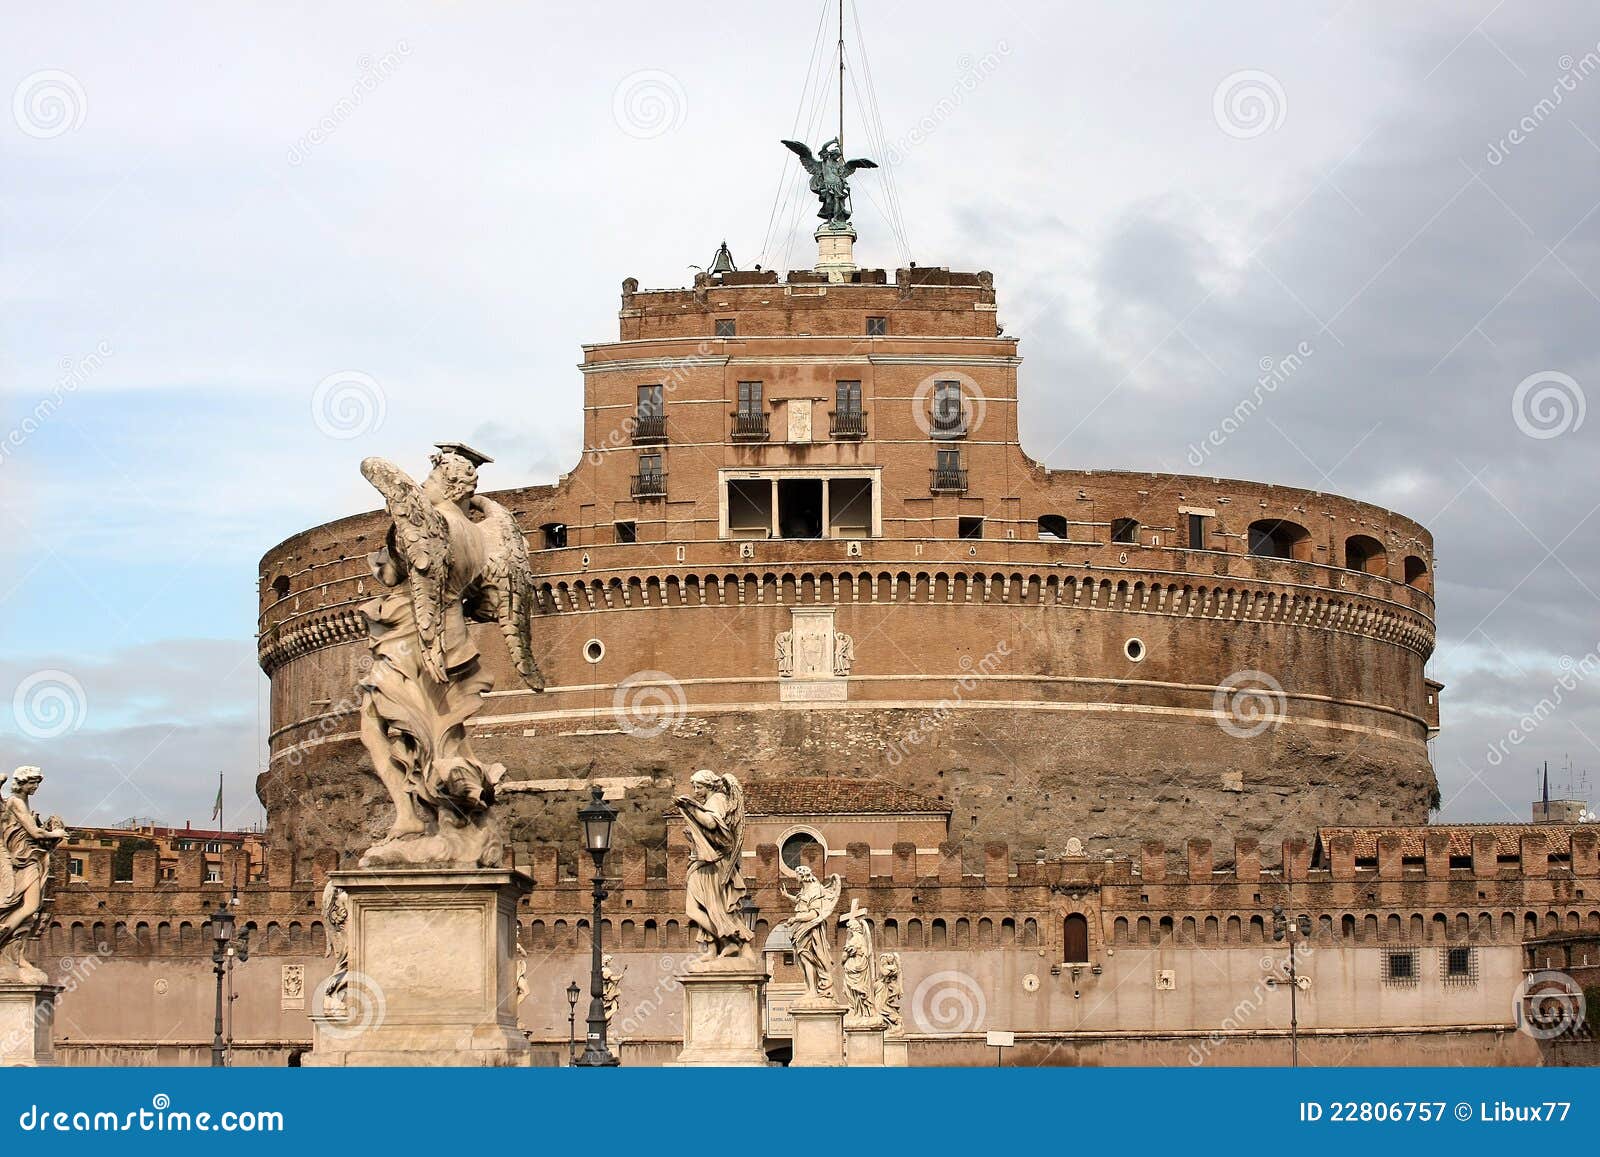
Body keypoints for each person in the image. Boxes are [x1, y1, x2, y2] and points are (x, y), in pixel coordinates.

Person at [674, 770, 752, 961]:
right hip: (704, 863)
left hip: (712, 866)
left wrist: (691, 807)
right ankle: (713, 947)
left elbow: (710, 823)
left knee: (699, 908)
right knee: (709, 907)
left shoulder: (717, 799)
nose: (695, 790)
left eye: (698, 787)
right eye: (694, 787)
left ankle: (730, 942)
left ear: (709, 786)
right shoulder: (710, 801)